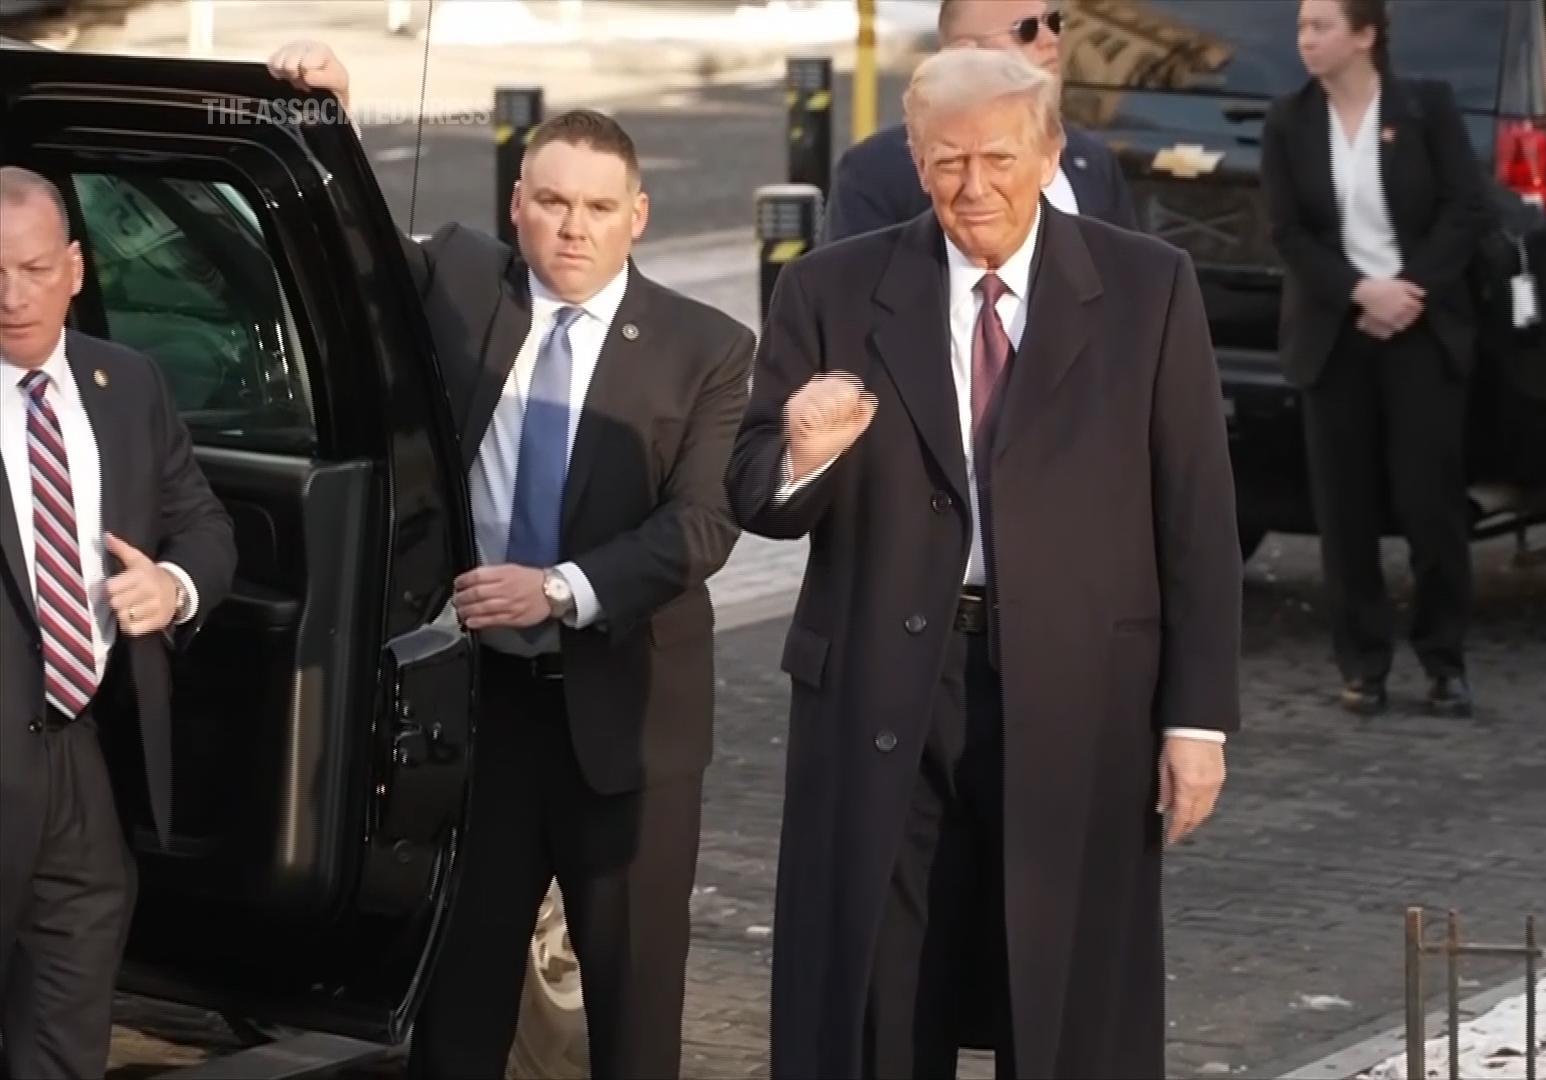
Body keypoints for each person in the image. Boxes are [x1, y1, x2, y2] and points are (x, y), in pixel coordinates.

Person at [729, 47, 1241, 1080]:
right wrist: (804, 454)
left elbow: (1195, 516)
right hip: (881, 689)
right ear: (915, 163)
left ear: (1050, 153)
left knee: (1062, 998)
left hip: (1080, 696)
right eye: (948, 161)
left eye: (1000, 158)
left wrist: (1196, 720)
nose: (975, 186)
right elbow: (751, 491)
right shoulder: (834, 287)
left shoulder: (1149, 290)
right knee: (878, 989)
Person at [268, 42, 756, 1080]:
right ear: (517, 203)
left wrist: (562, 590)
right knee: (463, 998)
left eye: (596, 207)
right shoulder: (458, 279)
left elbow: (702, 528)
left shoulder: (706, 345)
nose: (572, 228)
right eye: (550, 202)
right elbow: (340, 244)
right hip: (483, 711)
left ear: (639, 215)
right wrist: (328, 114)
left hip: (628, 721)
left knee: (632, 1007)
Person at [0, 166, 237, 1078]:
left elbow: (205, 522)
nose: (13, 295)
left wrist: (175, 585)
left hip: (88, 761)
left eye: (31, 268)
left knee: (66, 1028)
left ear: (73, 268)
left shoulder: (125, 382)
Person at [1259, 0, 1489, 718]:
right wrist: (1360, 292)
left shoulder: (1425, 108)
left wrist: (1408, 291)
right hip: (1335, 331)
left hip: (1419, 327)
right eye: (1301, 28)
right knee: (1344, 509)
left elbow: (1467, 209)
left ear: (1365, 36)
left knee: (1430, 503)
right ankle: (1362, 663)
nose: (1306, 40)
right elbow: (1288, 233)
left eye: (1321, 26)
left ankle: (1444, 660)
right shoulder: (1288, 121)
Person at [823, 0, 1138, 242]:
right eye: (1026, 30)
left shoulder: (1092, 160)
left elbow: (1130, 286)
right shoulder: (878, 170)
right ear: (964, 53)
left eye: (1053, 23)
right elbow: (848, 300)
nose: (1050, 40)